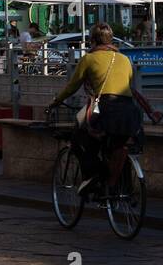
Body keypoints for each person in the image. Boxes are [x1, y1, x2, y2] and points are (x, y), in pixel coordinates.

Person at [47, 23, 147, 194]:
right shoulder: (124, 59)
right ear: (111, 40)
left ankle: (92, 176)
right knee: (116, 142)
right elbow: (128, 83)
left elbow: (72, 86)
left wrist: (56, 102)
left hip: (105, 108)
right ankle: (116, 185)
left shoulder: (88, 59)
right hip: (130, 112)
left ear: (92, 41)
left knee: (79, 136)